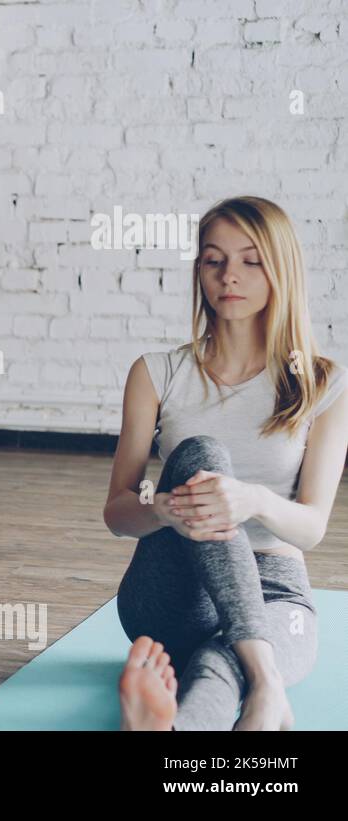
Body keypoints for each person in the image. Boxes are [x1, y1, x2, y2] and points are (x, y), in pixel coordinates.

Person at [104, 196, 348, 730]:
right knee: (202, 455)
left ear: (281, 270)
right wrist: (165, 511)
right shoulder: (157, 373)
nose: (228, 276)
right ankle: (266, 681)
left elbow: (310, 529)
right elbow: (118, 513)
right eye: (214, 260)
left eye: (250, 260)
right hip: (174, 590)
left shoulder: (324, 384)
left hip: (277, 589)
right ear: (200, 271)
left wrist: (252, 499)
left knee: (220, 662)